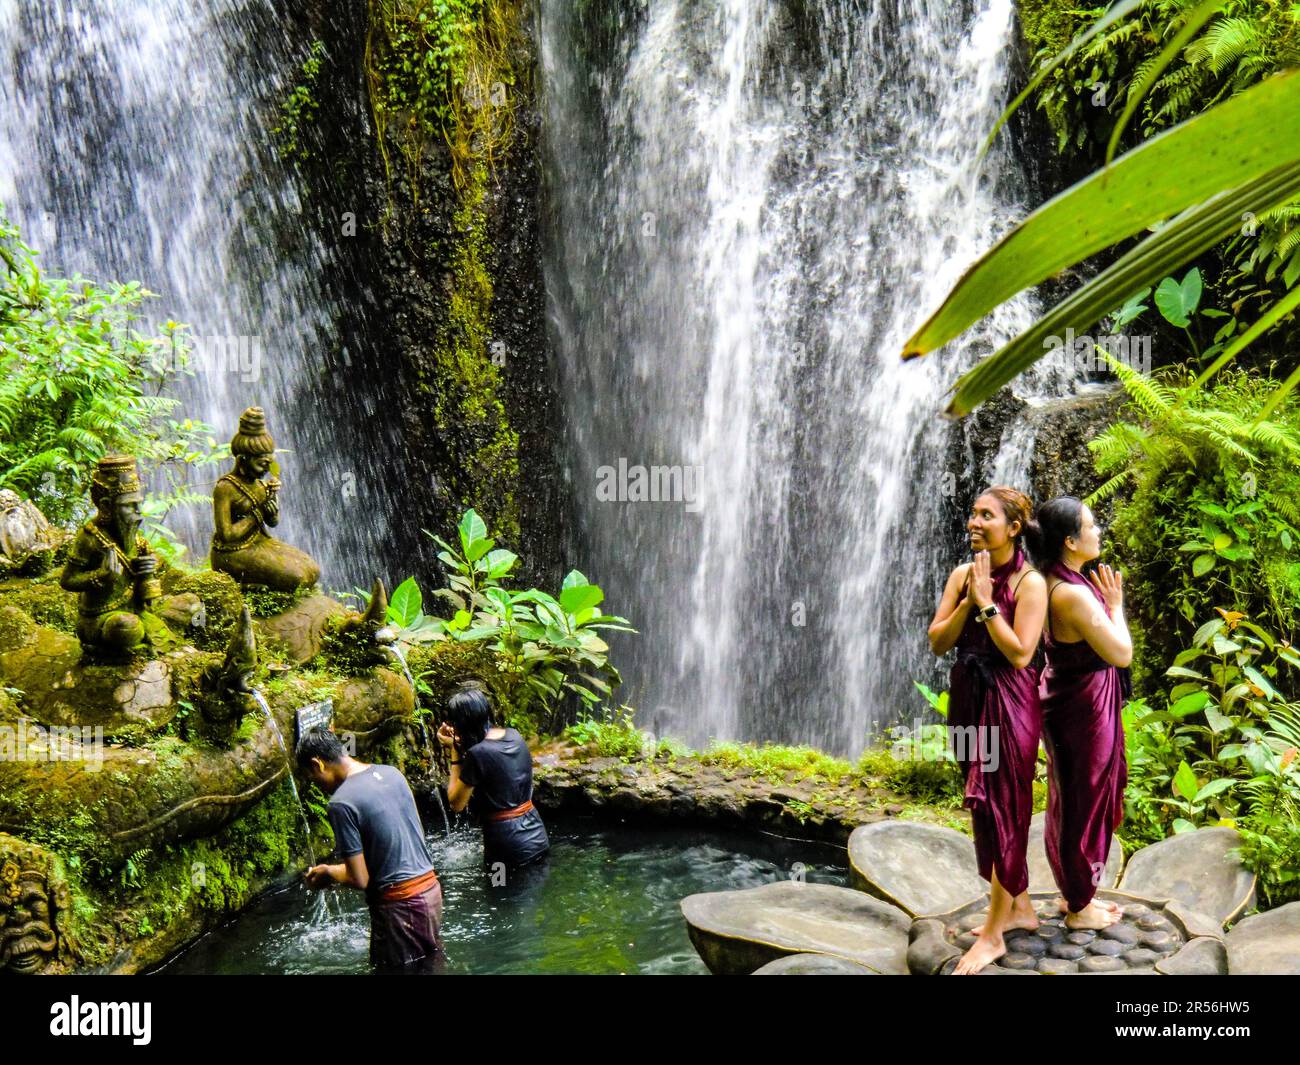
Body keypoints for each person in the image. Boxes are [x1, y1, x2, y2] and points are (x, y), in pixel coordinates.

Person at [927, 486, 1046, 974]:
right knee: (981, 803)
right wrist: (968, 600)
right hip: (968, 693)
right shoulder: (962, 575)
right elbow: (938, 642)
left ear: (1013, 528)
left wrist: (988, 605)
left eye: (987, 516)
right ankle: (1019, 907)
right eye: (973, 514)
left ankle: (994, 934)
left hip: (1010, 700)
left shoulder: (1030, 583)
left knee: (1002, 806)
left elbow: (1020, 652)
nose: (975, 523)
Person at [1025, 496, 1131, 930]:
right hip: (1084, 706)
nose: (1098, 531)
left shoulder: (1052, 580)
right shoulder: (1072, 595)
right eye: (1091, 525)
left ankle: (1076, 892)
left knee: (1071, 797)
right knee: (1084, 800)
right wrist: (1116, 607)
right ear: (1070, 541)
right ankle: (1079, 906)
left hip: (1070, 698)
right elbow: (1121, 653)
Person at [296, 727, 444, 972]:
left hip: (401, 906)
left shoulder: (341, 803)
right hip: (430, 892)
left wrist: (328, 873)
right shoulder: (391, 773)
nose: (318, 786)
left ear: (317, 764)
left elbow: (359, 878)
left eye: (312, 778)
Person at [438, 684, 550, 871]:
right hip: (536, 837)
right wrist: (459, 742)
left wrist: (454, 752)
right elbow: (490, 756)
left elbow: (456, 804)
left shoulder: (476, 754)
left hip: (505, 849)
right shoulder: (514, 735)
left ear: (462, 725)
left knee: (499, 895)